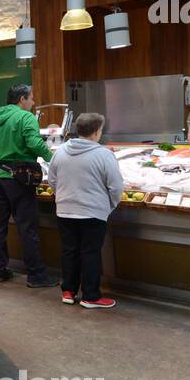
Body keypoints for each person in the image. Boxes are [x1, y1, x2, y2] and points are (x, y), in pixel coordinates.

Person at [0, 83, 57, 287]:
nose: (33, 103)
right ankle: (36, 275)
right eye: (31, 98)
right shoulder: (25, 117)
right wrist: (53, 158)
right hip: (20, 178)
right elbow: (34, 143)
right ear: (22, 99)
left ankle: (0, 269)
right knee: (27, 227)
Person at [48, 112, 122, 309]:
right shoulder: (104, 154)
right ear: (97, 132)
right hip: (92, 212)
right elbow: (115, 186)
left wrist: (63, 198)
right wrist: (109, 206)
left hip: (64, 211)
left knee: (69, 251)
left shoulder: (61, 151)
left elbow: (52, 180)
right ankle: (90, 296)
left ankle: (68, 291)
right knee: (90, 253)